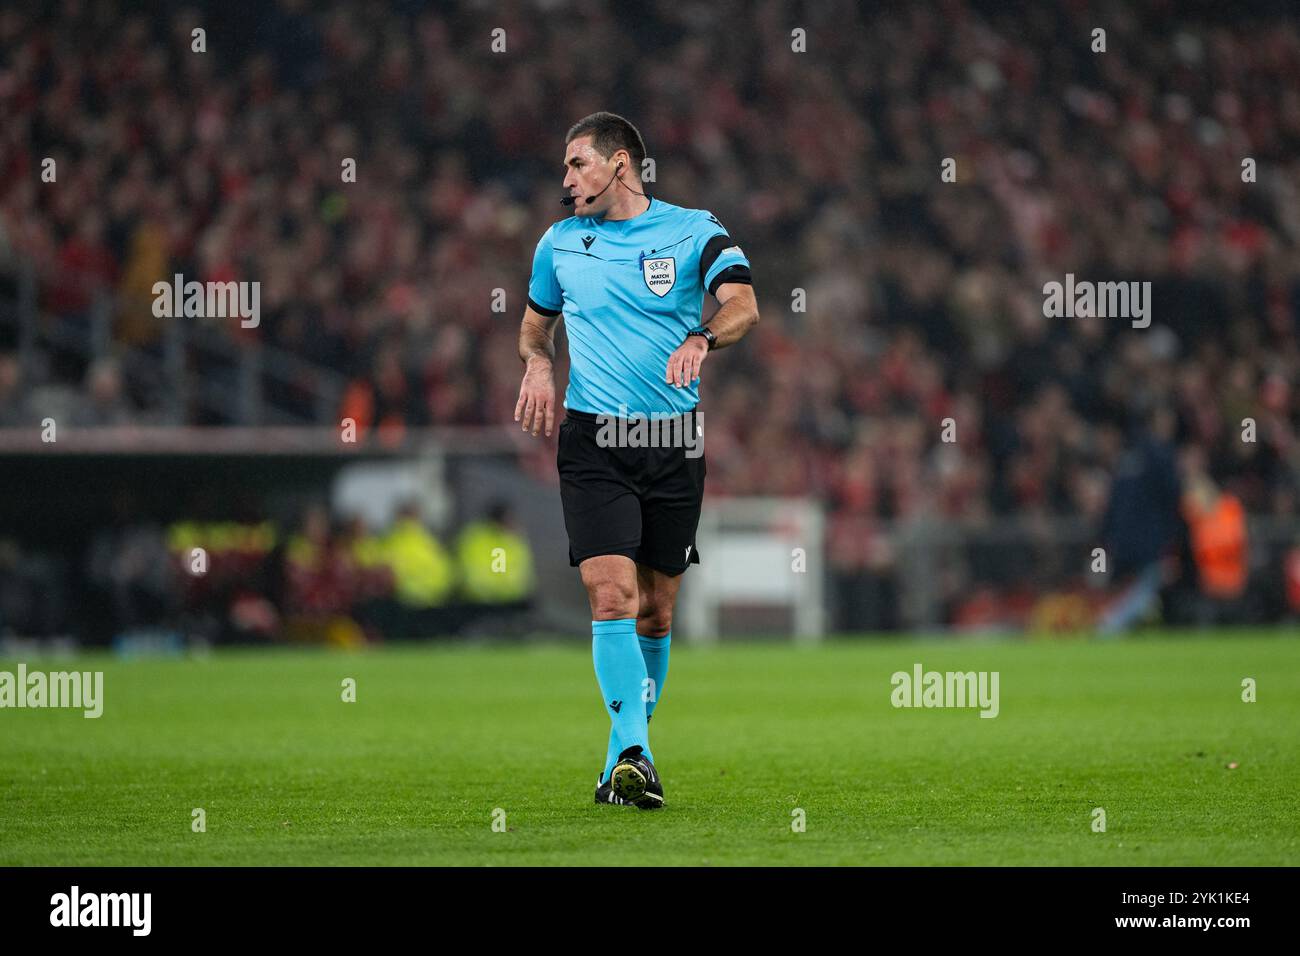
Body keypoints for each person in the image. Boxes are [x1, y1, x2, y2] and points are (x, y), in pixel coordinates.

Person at [515, 112, 759, 808]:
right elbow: (536, 326)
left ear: (620, 163)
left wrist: (705, 341)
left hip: (673, 445)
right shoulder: (560, 244)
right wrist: (537, 366)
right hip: (595, 443)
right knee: (613, 598)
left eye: (577, 164)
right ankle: (634, 751)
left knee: (655, 613)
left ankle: (623, 759)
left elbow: (743, 304)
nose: (566, 181)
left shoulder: (693, 230)